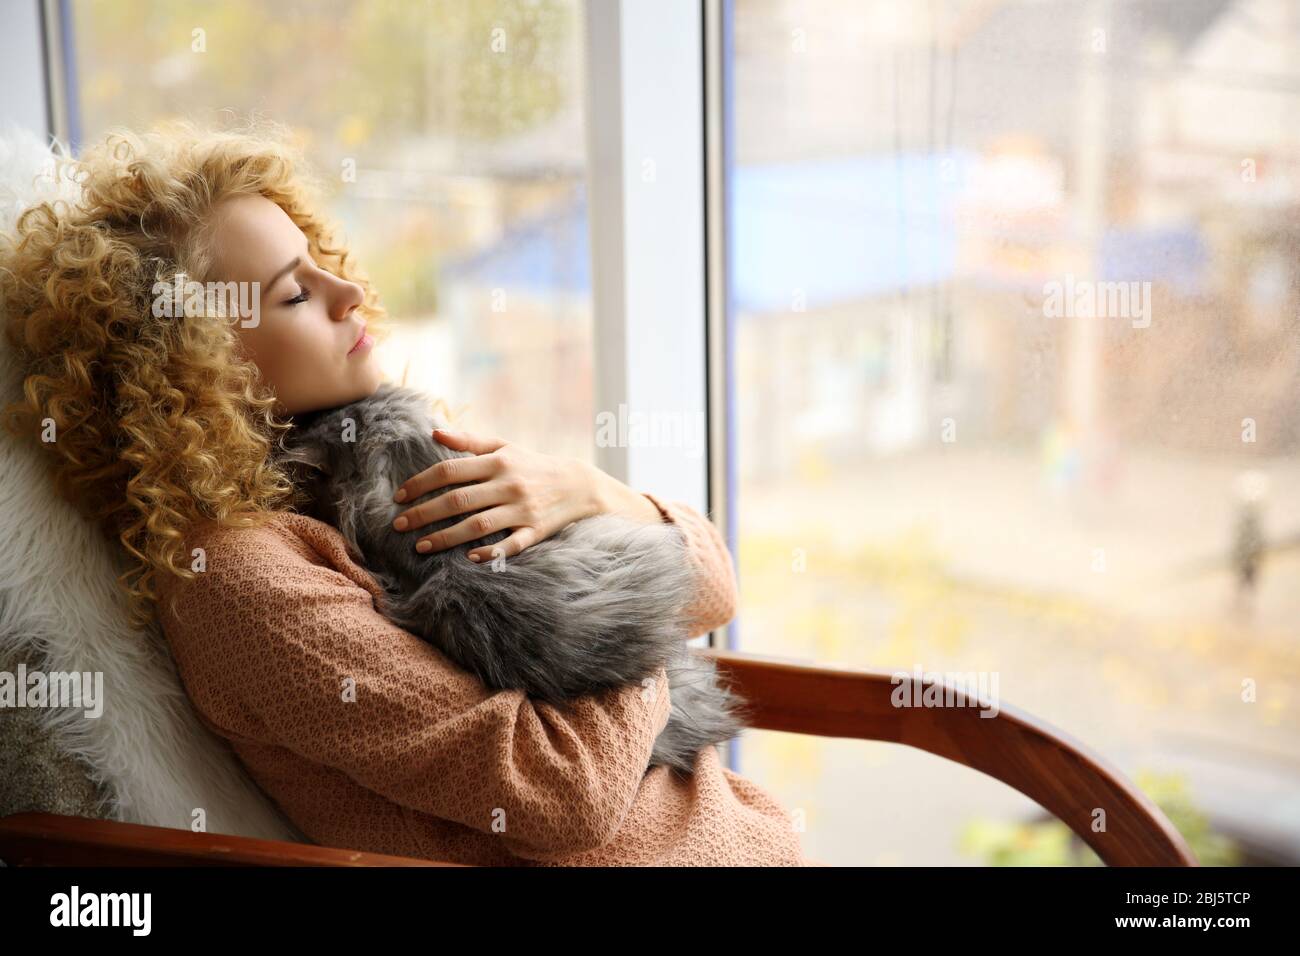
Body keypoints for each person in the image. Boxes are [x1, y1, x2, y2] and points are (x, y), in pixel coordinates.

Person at [0, 118, 810, 866]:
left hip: (751, 836)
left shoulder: (379, 455)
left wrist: (598, 497)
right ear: (193, 361)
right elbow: (563, 789)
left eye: (319, 260)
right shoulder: (239, 580)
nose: (347, 293)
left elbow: (713, 586)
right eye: (294, 293)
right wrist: (612, 615)